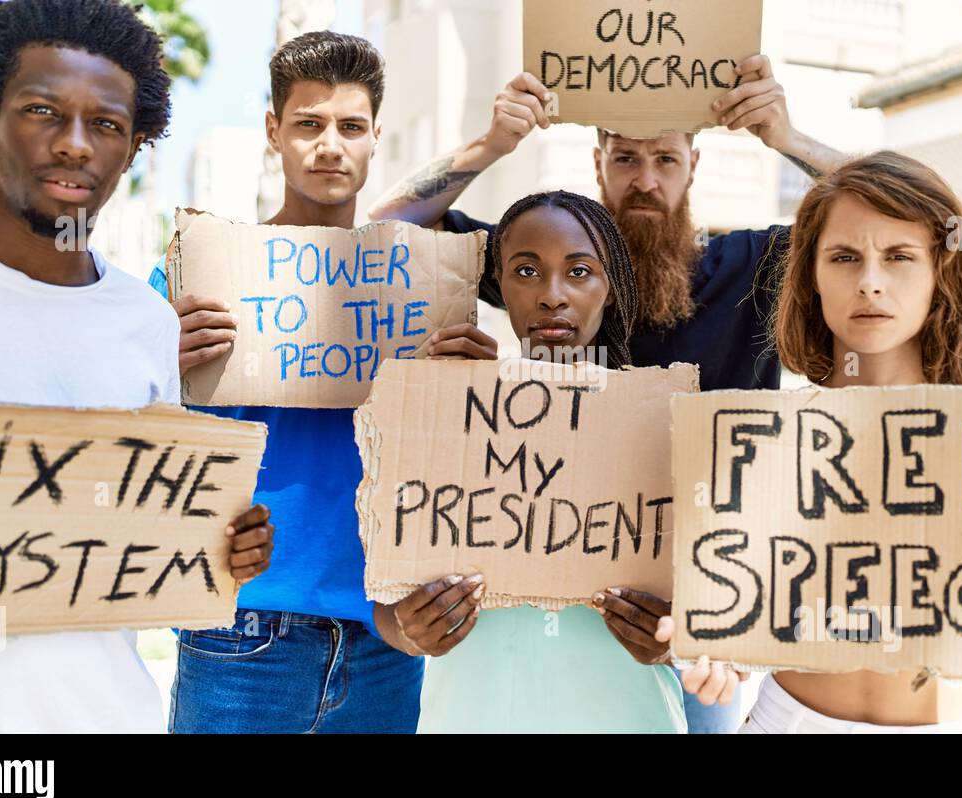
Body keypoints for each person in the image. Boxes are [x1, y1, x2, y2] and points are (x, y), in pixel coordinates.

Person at [369, 55, 849, 733]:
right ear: (599, 163)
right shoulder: (546, 258)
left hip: (705, 619)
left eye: (665, 159)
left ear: (694, 166)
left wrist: (786, 138)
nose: (645, 180)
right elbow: (387, 222)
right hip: (539, 642)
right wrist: (492, 144)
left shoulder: (755, 266)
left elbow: (903, 218)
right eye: (626, 158)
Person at [0, 0, 272, 733]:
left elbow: (141, 537)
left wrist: (224, 544)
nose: (75, 145)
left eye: (105, 124)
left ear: (133, 148)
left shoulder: (144, 323)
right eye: (43, 111)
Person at [660, 151, 962, 732]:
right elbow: (741, 611)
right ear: (812, 277)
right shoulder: (759, 444)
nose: (870, 283)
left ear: (939, 273)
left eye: (899, 257)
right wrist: (718, 650)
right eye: (845, 257)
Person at [150, 32, 452, 733]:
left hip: (384, 643)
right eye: (308, 124)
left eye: (350, 127)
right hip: (238, 635)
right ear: (272, 133)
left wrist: (464, 389)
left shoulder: (420, 296)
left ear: (377, 138)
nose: (329, 145)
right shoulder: (197, 277)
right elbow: (129, 432)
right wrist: (156, 354)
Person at [382, 189, 685, 732]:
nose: (552, 295)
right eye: (526, 271)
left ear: (610, 288)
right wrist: (410, 629)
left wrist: (672, 639)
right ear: (499, 286)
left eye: (579, 271)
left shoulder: (665, 427)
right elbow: (385, 596)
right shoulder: (452, 410)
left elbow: (716, 617)